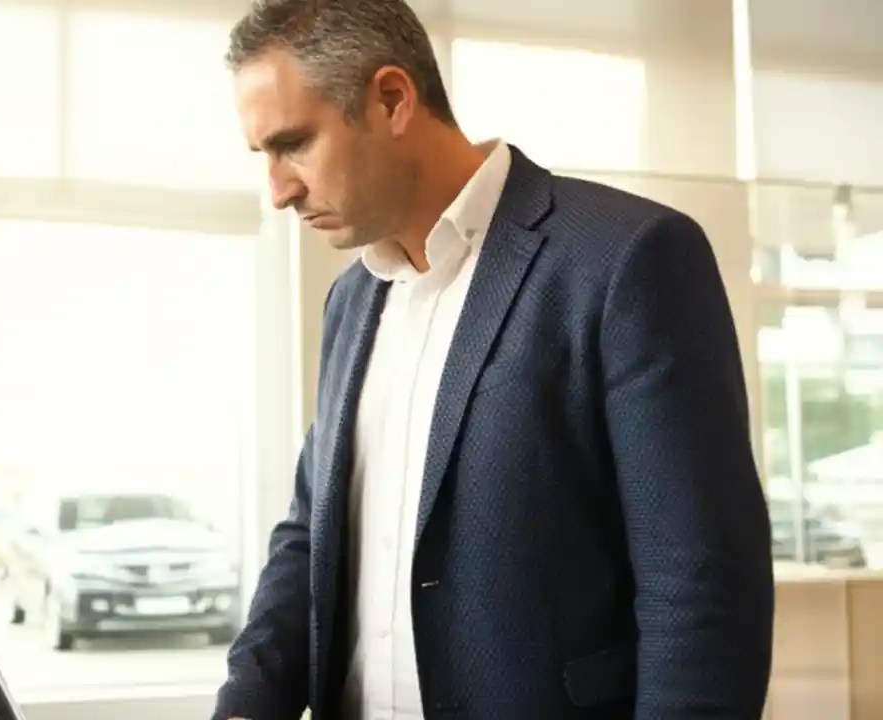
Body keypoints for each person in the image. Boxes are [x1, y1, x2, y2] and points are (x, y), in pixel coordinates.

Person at [215, 1, 775, 719]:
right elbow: (311, 535)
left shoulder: (626, 260)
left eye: (293, 144)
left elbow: (700, 586)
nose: (279, 190)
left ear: (392, 99)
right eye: (262, 156)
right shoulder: (350, 302)